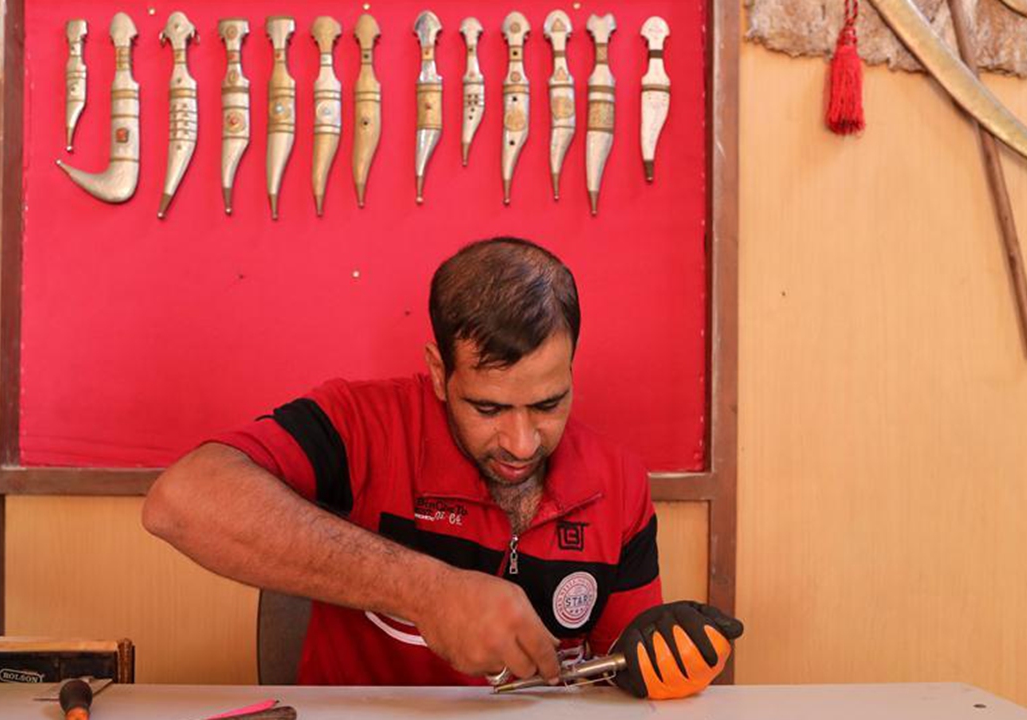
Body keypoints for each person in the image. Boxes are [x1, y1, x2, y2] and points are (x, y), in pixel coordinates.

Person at [142, 237, 679, 686]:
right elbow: (181, 501)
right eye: (488, 407)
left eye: (548, 403)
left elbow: (623, 677)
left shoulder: (620, 482)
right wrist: (429, 591)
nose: (521, 443)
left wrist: (669, 660)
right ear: (439, 372)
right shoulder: (361, 425)